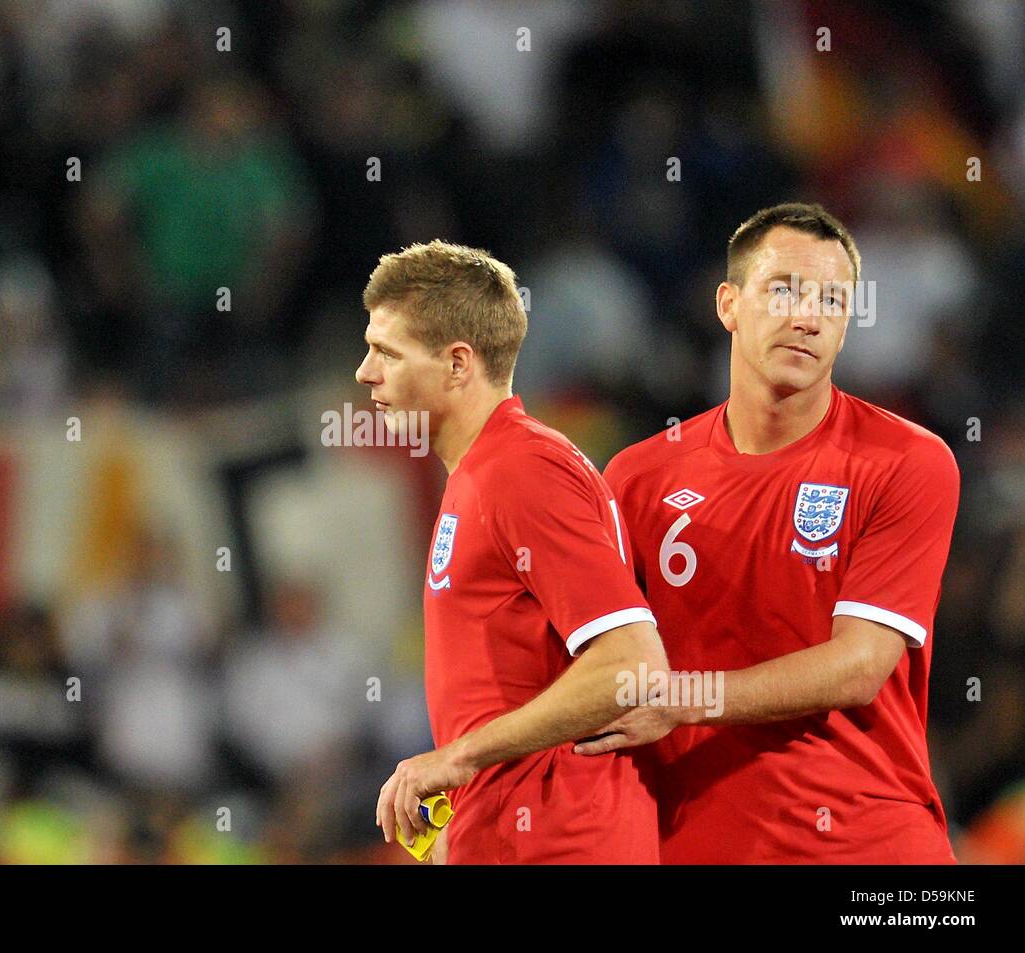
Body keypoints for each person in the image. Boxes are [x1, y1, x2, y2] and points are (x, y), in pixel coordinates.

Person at [578, 203, 960, 863]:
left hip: (867, 847)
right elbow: (586, 664)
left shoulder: (907, 461)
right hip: (693, 844)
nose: (807, 317)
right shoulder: (637, 478)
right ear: (728, 304)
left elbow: (858, 667)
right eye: (783, 290)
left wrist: (682, 700)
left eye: (832, 302)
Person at [360, 240, 669, 863]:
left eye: (386, 353)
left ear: (456, 364)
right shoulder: (482, 473)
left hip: (563, 841)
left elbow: (632, 666)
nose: (366, 373)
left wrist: (456, 756)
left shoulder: (523, 470)